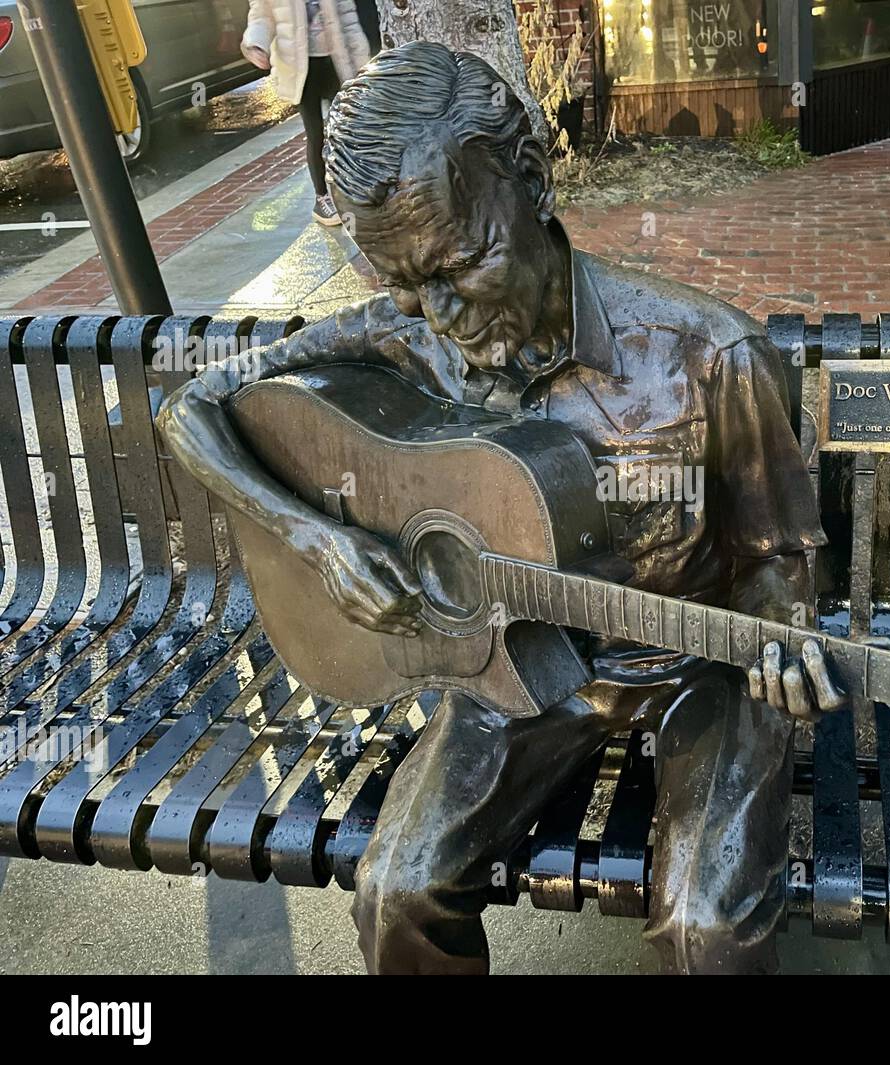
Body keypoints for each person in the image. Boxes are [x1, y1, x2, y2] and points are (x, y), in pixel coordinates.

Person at [156, 42, 843, 974]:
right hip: (510, 662)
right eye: (404, 284)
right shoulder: (402, 337)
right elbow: (189, 408)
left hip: (701, 662)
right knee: (395, 894)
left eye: (460, 262)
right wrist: (316, 540)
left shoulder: (712, 353)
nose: (440, 314)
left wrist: (780, 635)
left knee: (705, 926)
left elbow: (778, 561)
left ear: (533, 181)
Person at [241, 0, 372, 225]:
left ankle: (350, 190)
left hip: (335, 61)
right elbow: (262, 15)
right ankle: (322, 197)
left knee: (346, 128)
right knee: (315, 133)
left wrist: (361, 57)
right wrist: (255, 45)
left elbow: (348, 16)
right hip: (300, 68)